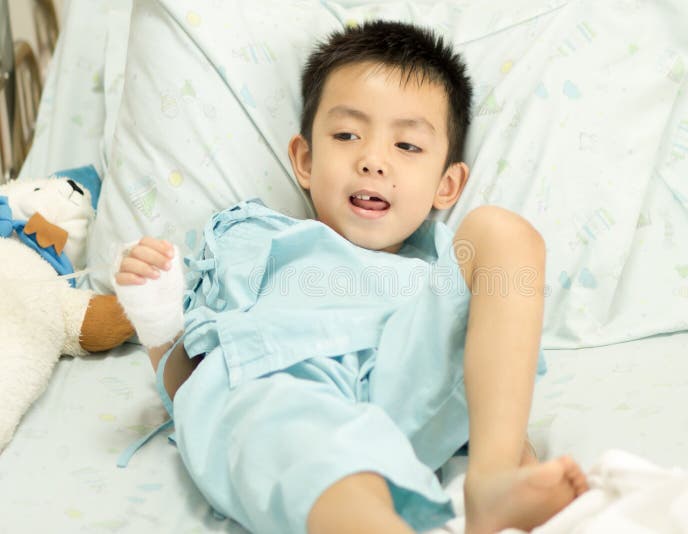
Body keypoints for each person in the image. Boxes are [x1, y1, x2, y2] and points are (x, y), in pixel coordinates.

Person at [114, 20, 587, 534]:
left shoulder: (446, 267)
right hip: (289, 383)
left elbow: (491, 351)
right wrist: (159, 323)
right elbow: (202, 377)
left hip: (404, 375)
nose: (373, 161)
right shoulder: (257, 236)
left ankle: (494, 481)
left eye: (407, 146)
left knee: (505, 231)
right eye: (346, 135)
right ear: (305, 160)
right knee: (323, 461)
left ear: (447, 185)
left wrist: (506, 440)